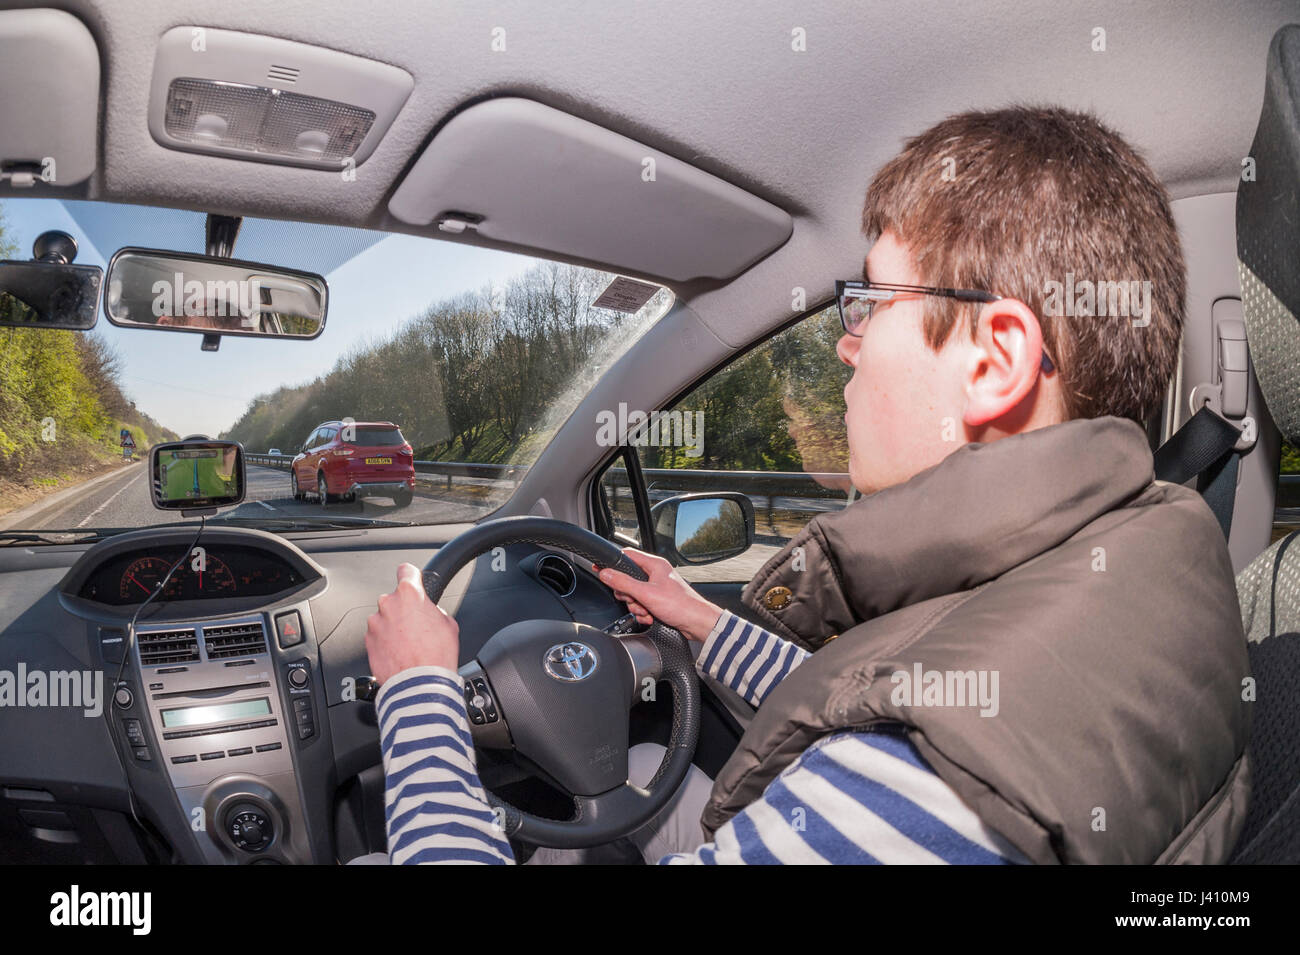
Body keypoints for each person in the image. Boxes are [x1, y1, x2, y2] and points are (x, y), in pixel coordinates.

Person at [358, 105, 1251, 865]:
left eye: (870, 304)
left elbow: (916, 735)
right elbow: (906, 684)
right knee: (633, 781)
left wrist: (417, 697)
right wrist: (703, 620)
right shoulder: (1160, 555)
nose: (844, 343)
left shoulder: (927, 797)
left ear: (995, 359)